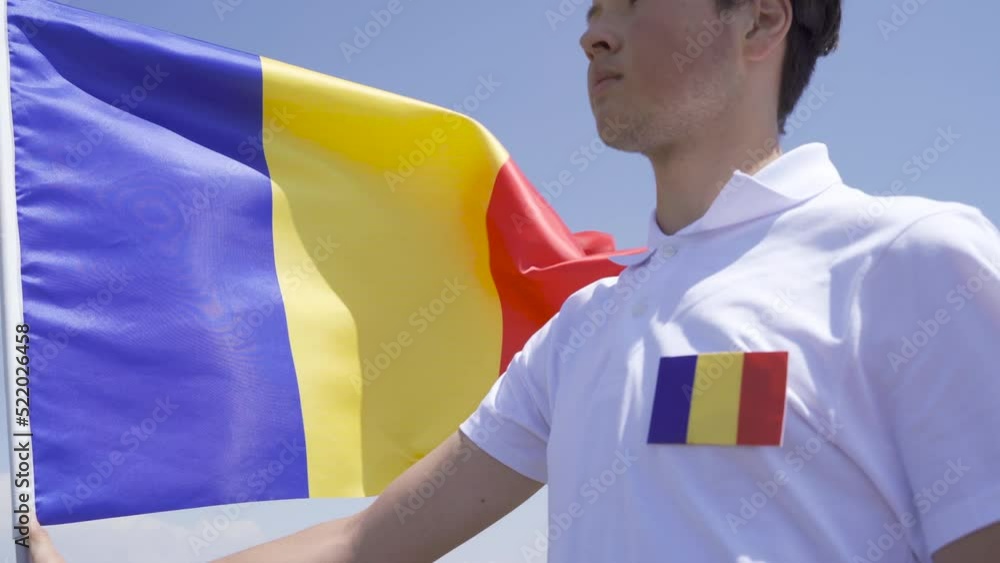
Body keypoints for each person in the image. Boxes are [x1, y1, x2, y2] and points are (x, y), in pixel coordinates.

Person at [31, 1, 1000, 561]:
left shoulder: (911, 264)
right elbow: (368, 540)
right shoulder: (583, 329)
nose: (592, 32)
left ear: (759, 18)